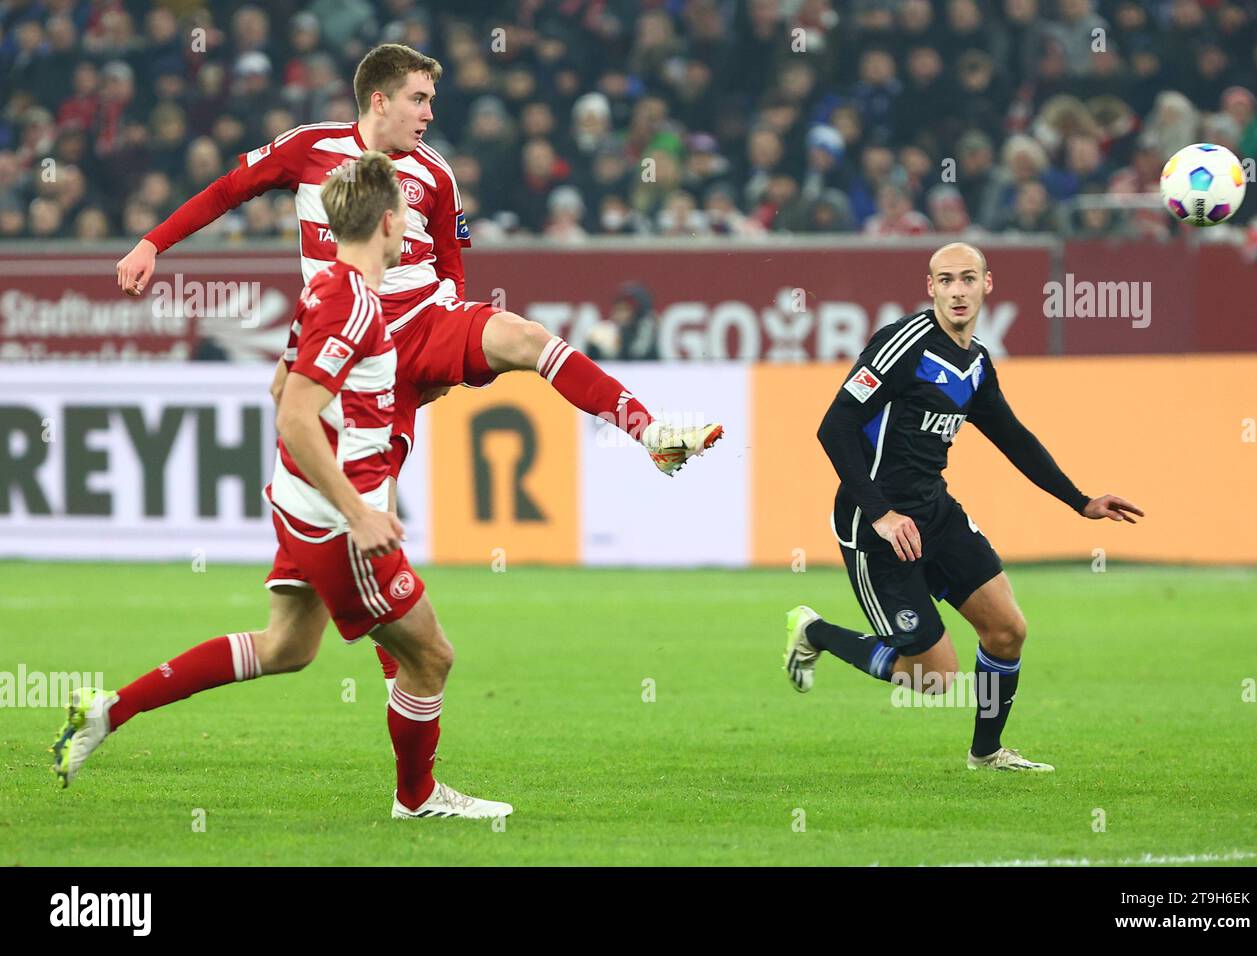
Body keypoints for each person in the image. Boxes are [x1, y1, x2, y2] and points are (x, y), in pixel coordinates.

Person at [114, 43, 723, 689]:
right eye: (419, 98)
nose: (430, 112)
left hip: (426, 320)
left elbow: (454, 272)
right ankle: (404, 697)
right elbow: (227, 190)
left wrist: (451, 355)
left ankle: (648, 431)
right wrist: (154, 243)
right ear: (380, 99)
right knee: (360, 552)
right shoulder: (310, 148)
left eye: (431, 99)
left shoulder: (435, 175)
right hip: (355, 351)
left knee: (523, 337)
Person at [54, 151, 512, 819]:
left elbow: (282, 384)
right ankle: (416, 798)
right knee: (433, 655)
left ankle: (108, 710)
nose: (413, 221)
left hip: (300, 504)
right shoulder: (354, 304)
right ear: (388, 224)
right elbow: (293, 412)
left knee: (286, 647)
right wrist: (357, 509)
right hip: (335, 523)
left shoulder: (325, 286)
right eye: (406, 214)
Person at [784, 242, 1143, 772]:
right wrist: (881, 513)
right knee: (934, 678)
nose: (957, 290)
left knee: (1007, 630)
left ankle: (986, 752)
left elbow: (1012, 437)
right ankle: (813, 631)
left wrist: (1081, 500)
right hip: (876, 525)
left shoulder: (975, 362)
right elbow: (833, 426)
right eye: (946, 280)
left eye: (967, 279)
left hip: (934, 512)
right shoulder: (905, 343)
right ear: (930, 287)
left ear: (986, 284)